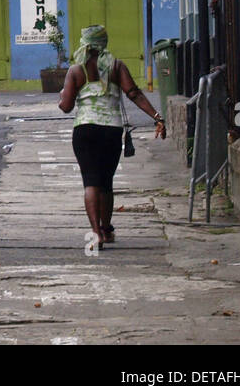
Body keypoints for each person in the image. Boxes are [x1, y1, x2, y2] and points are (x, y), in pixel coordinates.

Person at [58, 24, 165, 248]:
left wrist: (62, 96)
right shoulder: (117, 67)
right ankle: (107, 230)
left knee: (90, 182)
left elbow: (66, 107)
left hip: (85, 130)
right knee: (106, 183)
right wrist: (157, 116)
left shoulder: (76, 71)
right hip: (111, 131)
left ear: (84, 43)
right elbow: (133, 93)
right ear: (104, 43)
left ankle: (96, 234)